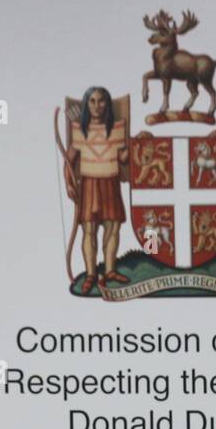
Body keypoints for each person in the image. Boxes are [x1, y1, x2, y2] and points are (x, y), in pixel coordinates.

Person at [68, 86, 129, 294]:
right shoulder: (79, 130)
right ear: (87, 104)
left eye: (101, 101)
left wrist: (133, 149)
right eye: (92, 101)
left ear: (107, 104)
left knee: (112, 228)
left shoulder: (117, 128)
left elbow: (122, 158)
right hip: (89, 183)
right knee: (89, 230)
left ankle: (110, 270)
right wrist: (69, 182)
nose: (96, 105)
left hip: (110, 181)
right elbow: (70, 160)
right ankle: (91, 273)